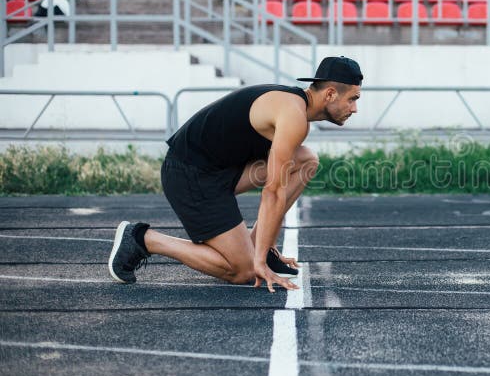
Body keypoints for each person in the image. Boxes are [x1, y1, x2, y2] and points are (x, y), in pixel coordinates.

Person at [107, 56, 363, 292]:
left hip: (220, 170)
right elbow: (273, 191)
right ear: (330, 94)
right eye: (352, 99)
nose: (354, 109)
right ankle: (142, 239)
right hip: (189, 174)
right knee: (245, 271)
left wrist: (264, 249)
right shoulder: (293, 115)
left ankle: (265, 250)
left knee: (306, 160)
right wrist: (257, 261)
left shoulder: (294, 106)